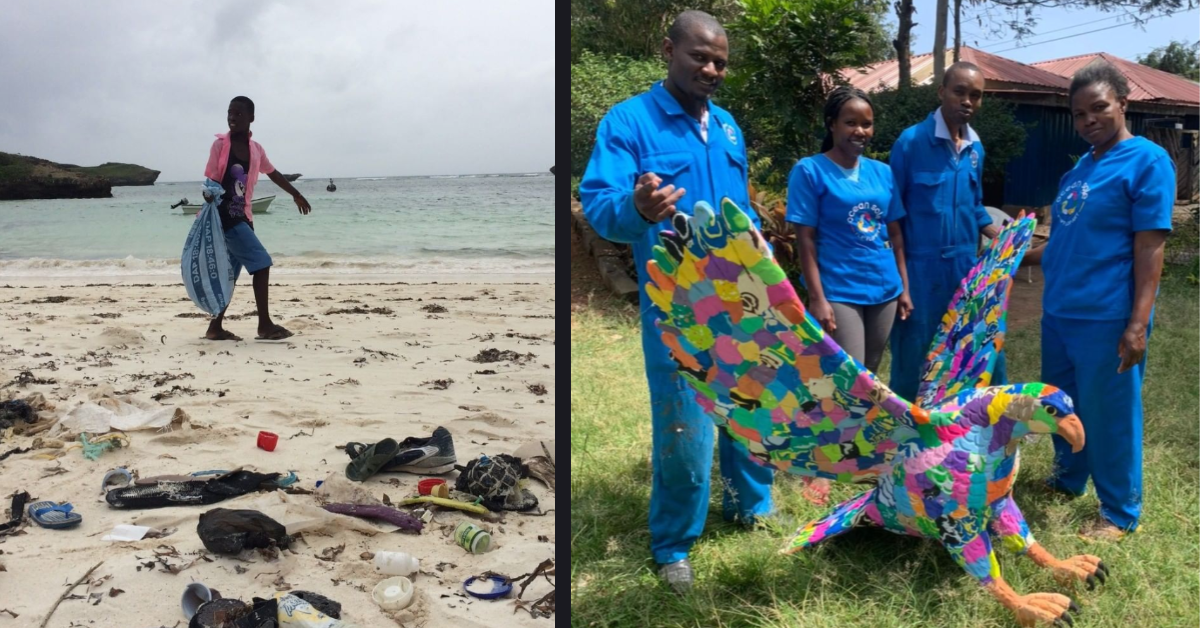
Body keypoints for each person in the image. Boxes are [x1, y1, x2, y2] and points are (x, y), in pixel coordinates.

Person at [579, 10, 774, 592]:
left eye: (720, 61)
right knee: (685, 427)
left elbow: (736, 208)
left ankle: (751, 506)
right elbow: (599, 204)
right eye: (700, 57)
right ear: (669, 50)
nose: (711, 69)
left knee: (747, 410)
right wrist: (638, 209)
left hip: (742, 300)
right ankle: (673, 544)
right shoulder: (629, 122)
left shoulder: (730, 127)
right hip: (678, 308)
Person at [1021, 60, 1173, 540]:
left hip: (1107, 316)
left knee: (1109, 412)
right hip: (1060, 313)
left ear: (1123, 105)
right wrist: (1012, 256)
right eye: (1079, 113)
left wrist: (1136, 324)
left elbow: (1150, 245)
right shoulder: (1078, 171)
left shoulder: (1146, 161)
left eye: (1099, 108)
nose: (1088, 120)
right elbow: (1064, 242)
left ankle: (1120, 511)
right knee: (1062, 406)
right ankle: (1068, 479)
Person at [786, 86, 911, 504]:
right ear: (832, 125)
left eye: (867, 123)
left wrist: (904, 287)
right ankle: (818, 465)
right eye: (851, 122)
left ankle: (858, 454)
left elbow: (894, 233)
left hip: (884, 289)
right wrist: (817, 298)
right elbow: (805, 239)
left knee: (870, 376)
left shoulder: (882, 172)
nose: (861, 130)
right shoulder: (810, 171)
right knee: (846, 377)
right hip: (839, 289)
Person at [887, 62, 1004, 403]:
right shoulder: (910, 142)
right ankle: (905, 435)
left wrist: (1001, 237)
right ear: (941, 92)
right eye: (960, 92)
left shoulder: (975, 149)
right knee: (914, 353)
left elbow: (976, 204)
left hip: (967, 268)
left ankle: (974, 426)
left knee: (974, 347)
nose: (967, 101)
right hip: (920, 270)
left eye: (976, 95)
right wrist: (900, 278)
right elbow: (892, 213)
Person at [202, 95, 312, 342]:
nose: (232, 117)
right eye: (230, 113)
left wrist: (296, 194)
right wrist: (207, 194)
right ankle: (265, 325)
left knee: (230, 274)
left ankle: (215, 327)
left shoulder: (256, 150)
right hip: (225, 218)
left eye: (239, 114)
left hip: (244, 216)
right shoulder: (219, 146)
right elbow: (210, 179)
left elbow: (273, 173)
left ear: (251, 118)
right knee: (261, 264)